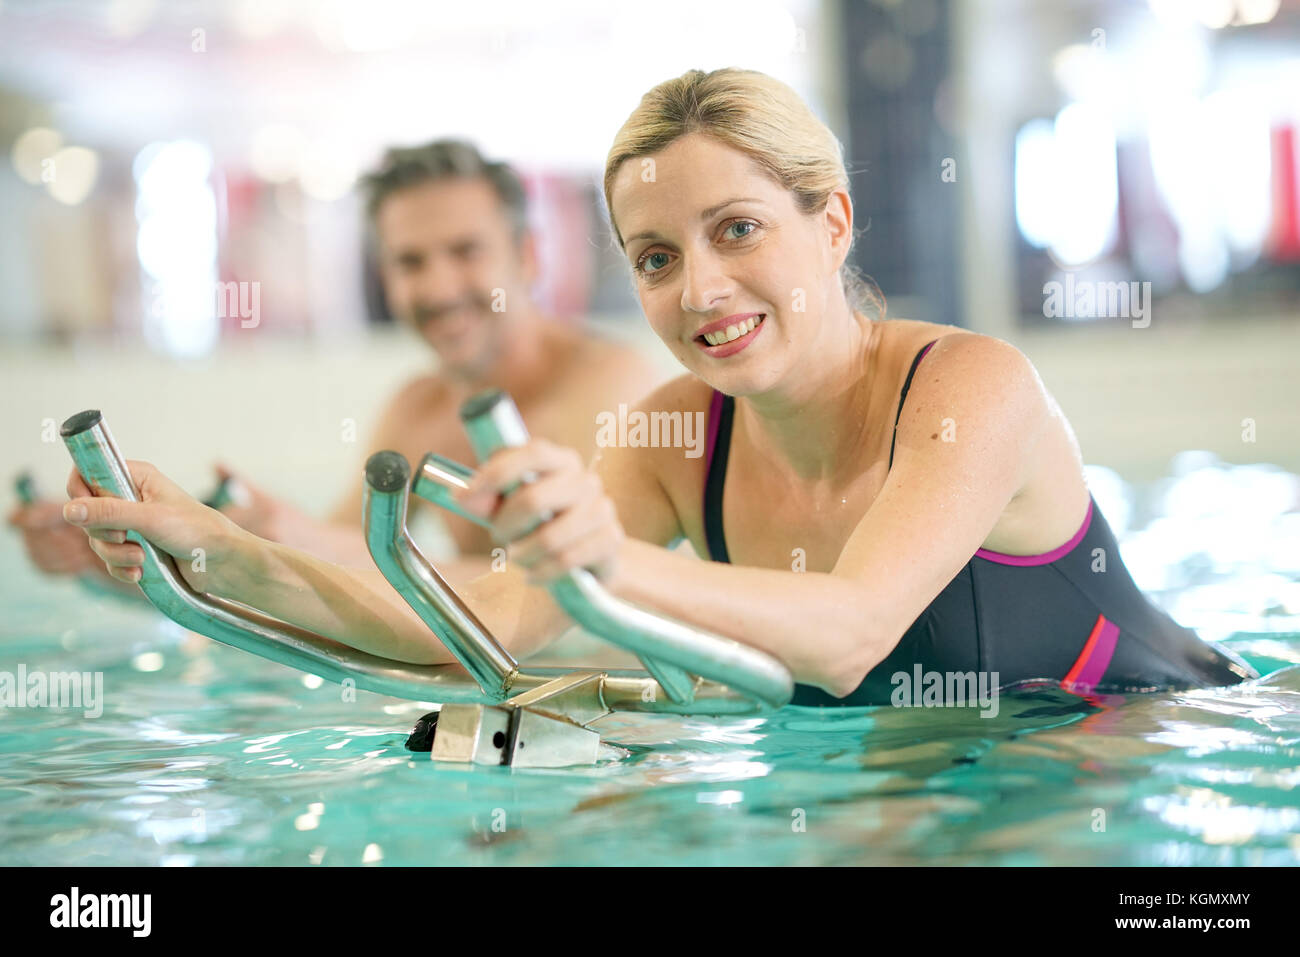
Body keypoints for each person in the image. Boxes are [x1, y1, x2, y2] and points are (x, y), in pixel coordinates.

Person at [60, 68, 1256, 703]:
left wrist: (603, 563)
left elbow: (846, 637)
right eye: (656, 258)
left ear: (830, 220)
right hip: (938, 760)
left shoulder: (968, 386)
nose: (701, 290)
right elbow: (485, 629)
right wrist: (211, 551)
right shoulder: (675, 430)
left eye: (738, 229)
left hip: (1146, 741)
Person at [13, 140, 661, 588]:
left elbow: (555, 596)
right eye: (411, 262)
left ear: (526, 256)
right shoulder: (420, 407)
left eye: (466, 252)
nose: (437, 288)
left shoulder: (608, 385)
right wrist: (109, 555)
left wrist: (279, 538)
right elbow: (319, 573)